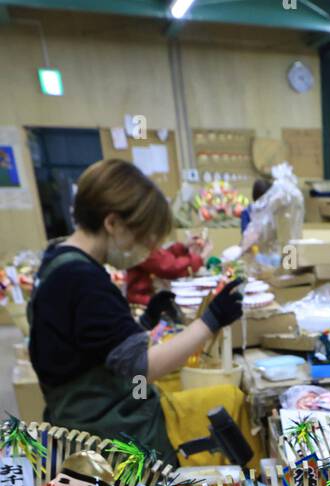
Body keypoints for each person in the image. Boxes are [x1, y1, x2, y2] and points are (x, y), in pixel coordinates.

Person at [28, 158, 243, 467]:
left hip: (76, 417)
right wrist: (210, 321)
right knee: (230, 402)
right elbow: (143, 368)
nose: (143, 248)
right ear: (112, 223)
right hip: (106, 431)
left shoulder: (57, 260)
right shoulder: (83, 279)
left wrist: (144, 322)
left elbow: (86, 344)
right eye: (140, 237)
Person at [125, 231, 207, 306]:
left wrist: (184, 247)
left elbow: (163, 257)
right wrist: (199, 258)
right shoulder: (141, 245)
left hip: (145, 296)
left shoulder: (143, 239)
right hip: (140, 300)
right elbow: (169, 268)